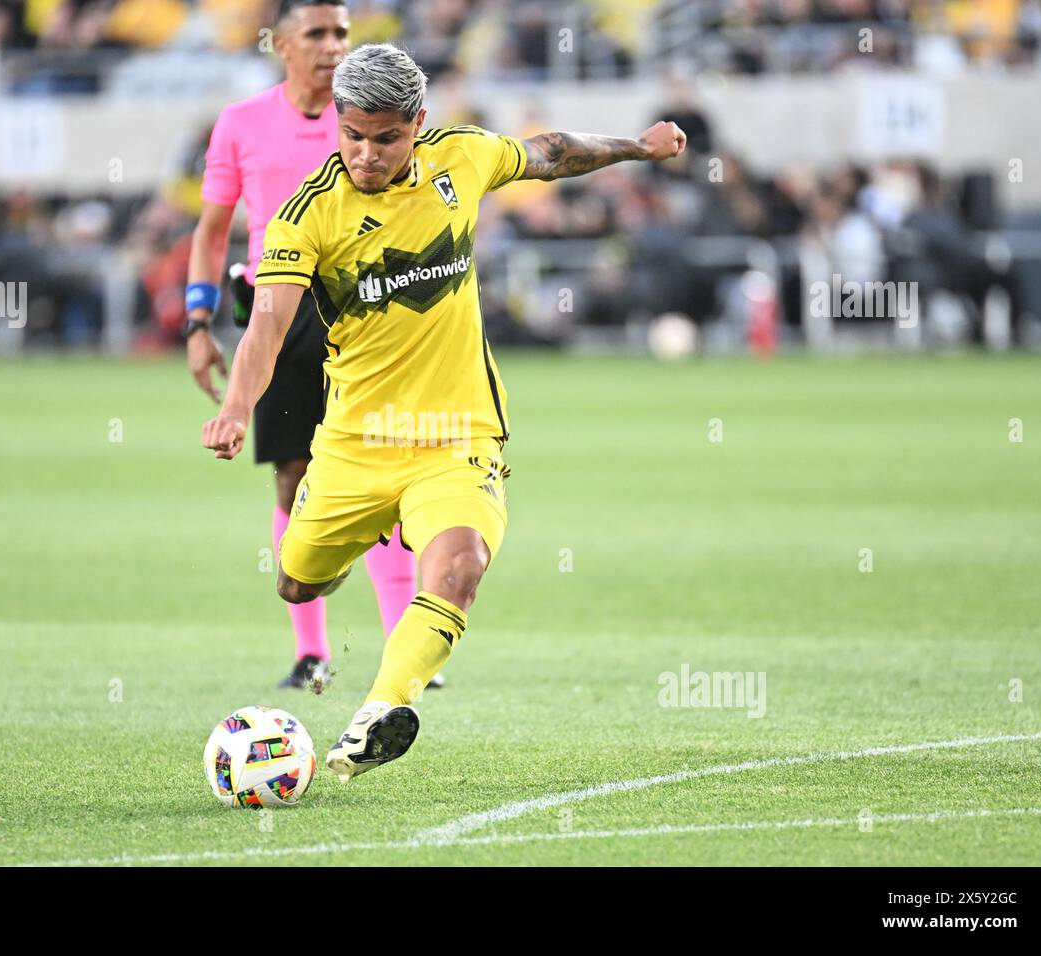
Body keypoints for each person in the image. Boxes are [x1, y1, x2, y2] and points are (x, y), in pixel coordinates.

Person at [202, 43, 685, 781]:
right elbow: (266, 326)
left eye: (386, 138)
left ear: (418, 124)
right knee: (296, 580)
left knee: (458, 569)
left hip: (456, 434)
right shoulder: (309, 215)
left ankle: (380, 709)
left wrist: (637, 147)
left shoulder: (461, 156)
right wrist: (238, 408)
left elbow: (552, 152)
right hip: (355, 443)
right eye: (353, 135)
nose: (366, 154)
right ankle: (351, 554)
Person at [185, 1, 424, 691]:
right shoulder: (241, 122)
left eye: (343, 33)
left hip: (363, 306)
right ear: (281, 43)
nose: (333, 46)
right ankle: (312, 653)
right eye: (318, 33)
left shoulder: (369, 127)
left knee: (383, 472)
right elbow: (210, 232)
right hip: (276, 309)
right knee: (292, 475)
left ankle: (404, 647)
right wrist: (199, 325)